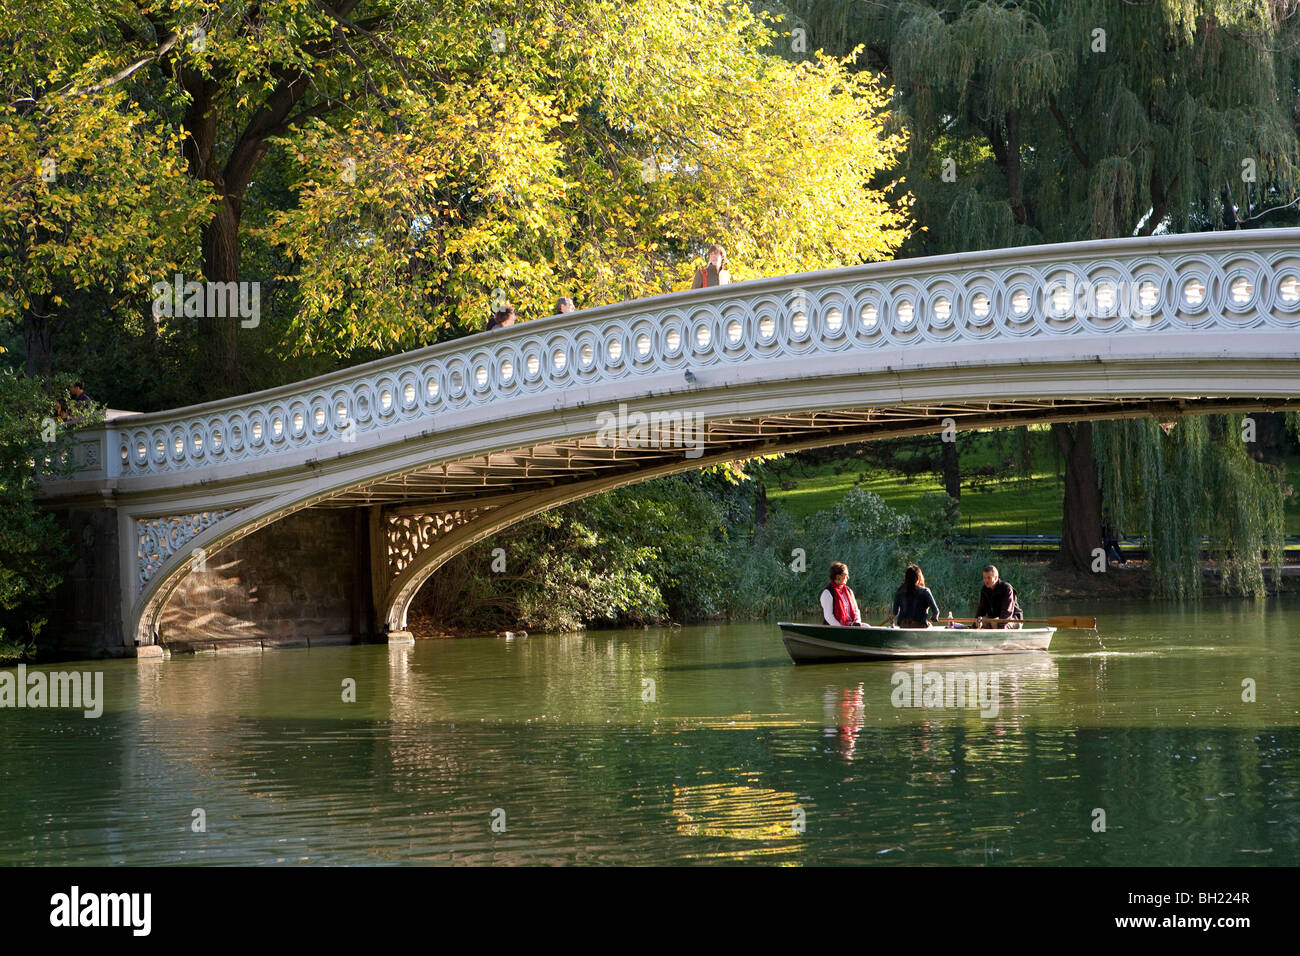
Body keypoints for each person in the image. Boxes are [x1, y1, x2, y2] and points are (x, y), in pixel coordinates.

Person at [891, 564, 940, 628]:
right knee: (930, 626)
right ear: (918, 578)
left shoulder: (899, 591)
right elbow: (936, 612)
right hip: (919, 625)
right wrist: (933, 618)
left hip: (904, 625)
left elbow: (895, 612)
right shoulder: (925, 591)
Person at [974, 565, 1022, 629]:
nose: (986, 580)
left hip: (1013, 619)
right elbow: (981, 609)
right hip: (994, 619)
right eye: (984, 578)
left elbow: (1007, 611)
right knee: (981, 621)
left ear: (996, 577)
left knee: (995, 622)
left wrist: (1000, 625)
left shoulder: (1006, 588)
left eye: (989, 578)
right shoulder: (984, 590)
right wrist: (975, 623)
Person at [820, 561, 862, 627]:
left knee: (867, 627)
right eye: (846, 575)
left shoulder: (849, 591)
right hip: (835, 629)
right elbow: (829, 617)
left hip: (851, 626)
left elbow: (856, 611)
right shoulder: (827, 593)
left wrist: (857, 622)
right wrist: (842, 629)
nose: (848, 577)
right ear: (838, 577)